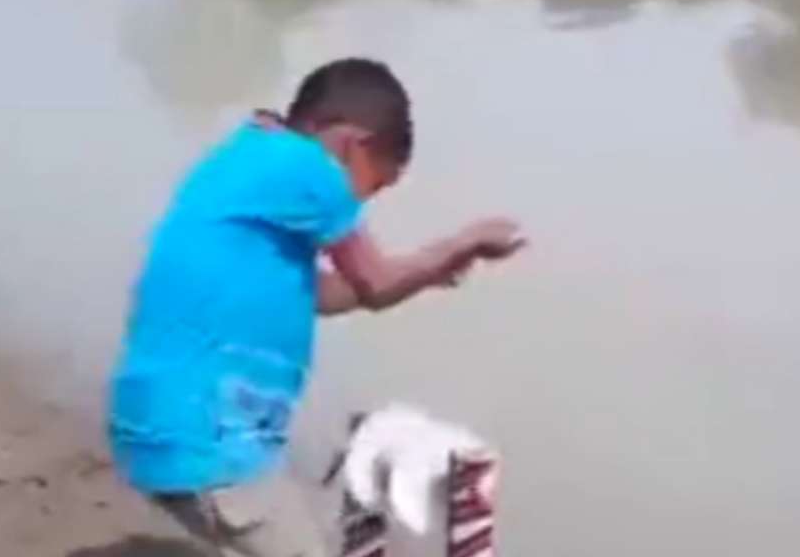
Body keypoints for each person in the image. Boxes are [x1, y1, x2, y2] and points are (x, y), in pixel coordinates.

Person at [107, 57, 524, 556]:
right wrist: (467, 241)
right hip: (207, 440)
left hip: (154, 421)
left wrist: (429, 272)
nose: (359, 206)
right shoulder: (308, 169)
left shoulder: (251, 156)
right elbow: (374, 283)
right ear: (351, 144)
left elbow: (324, 294)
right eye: (371, 187)